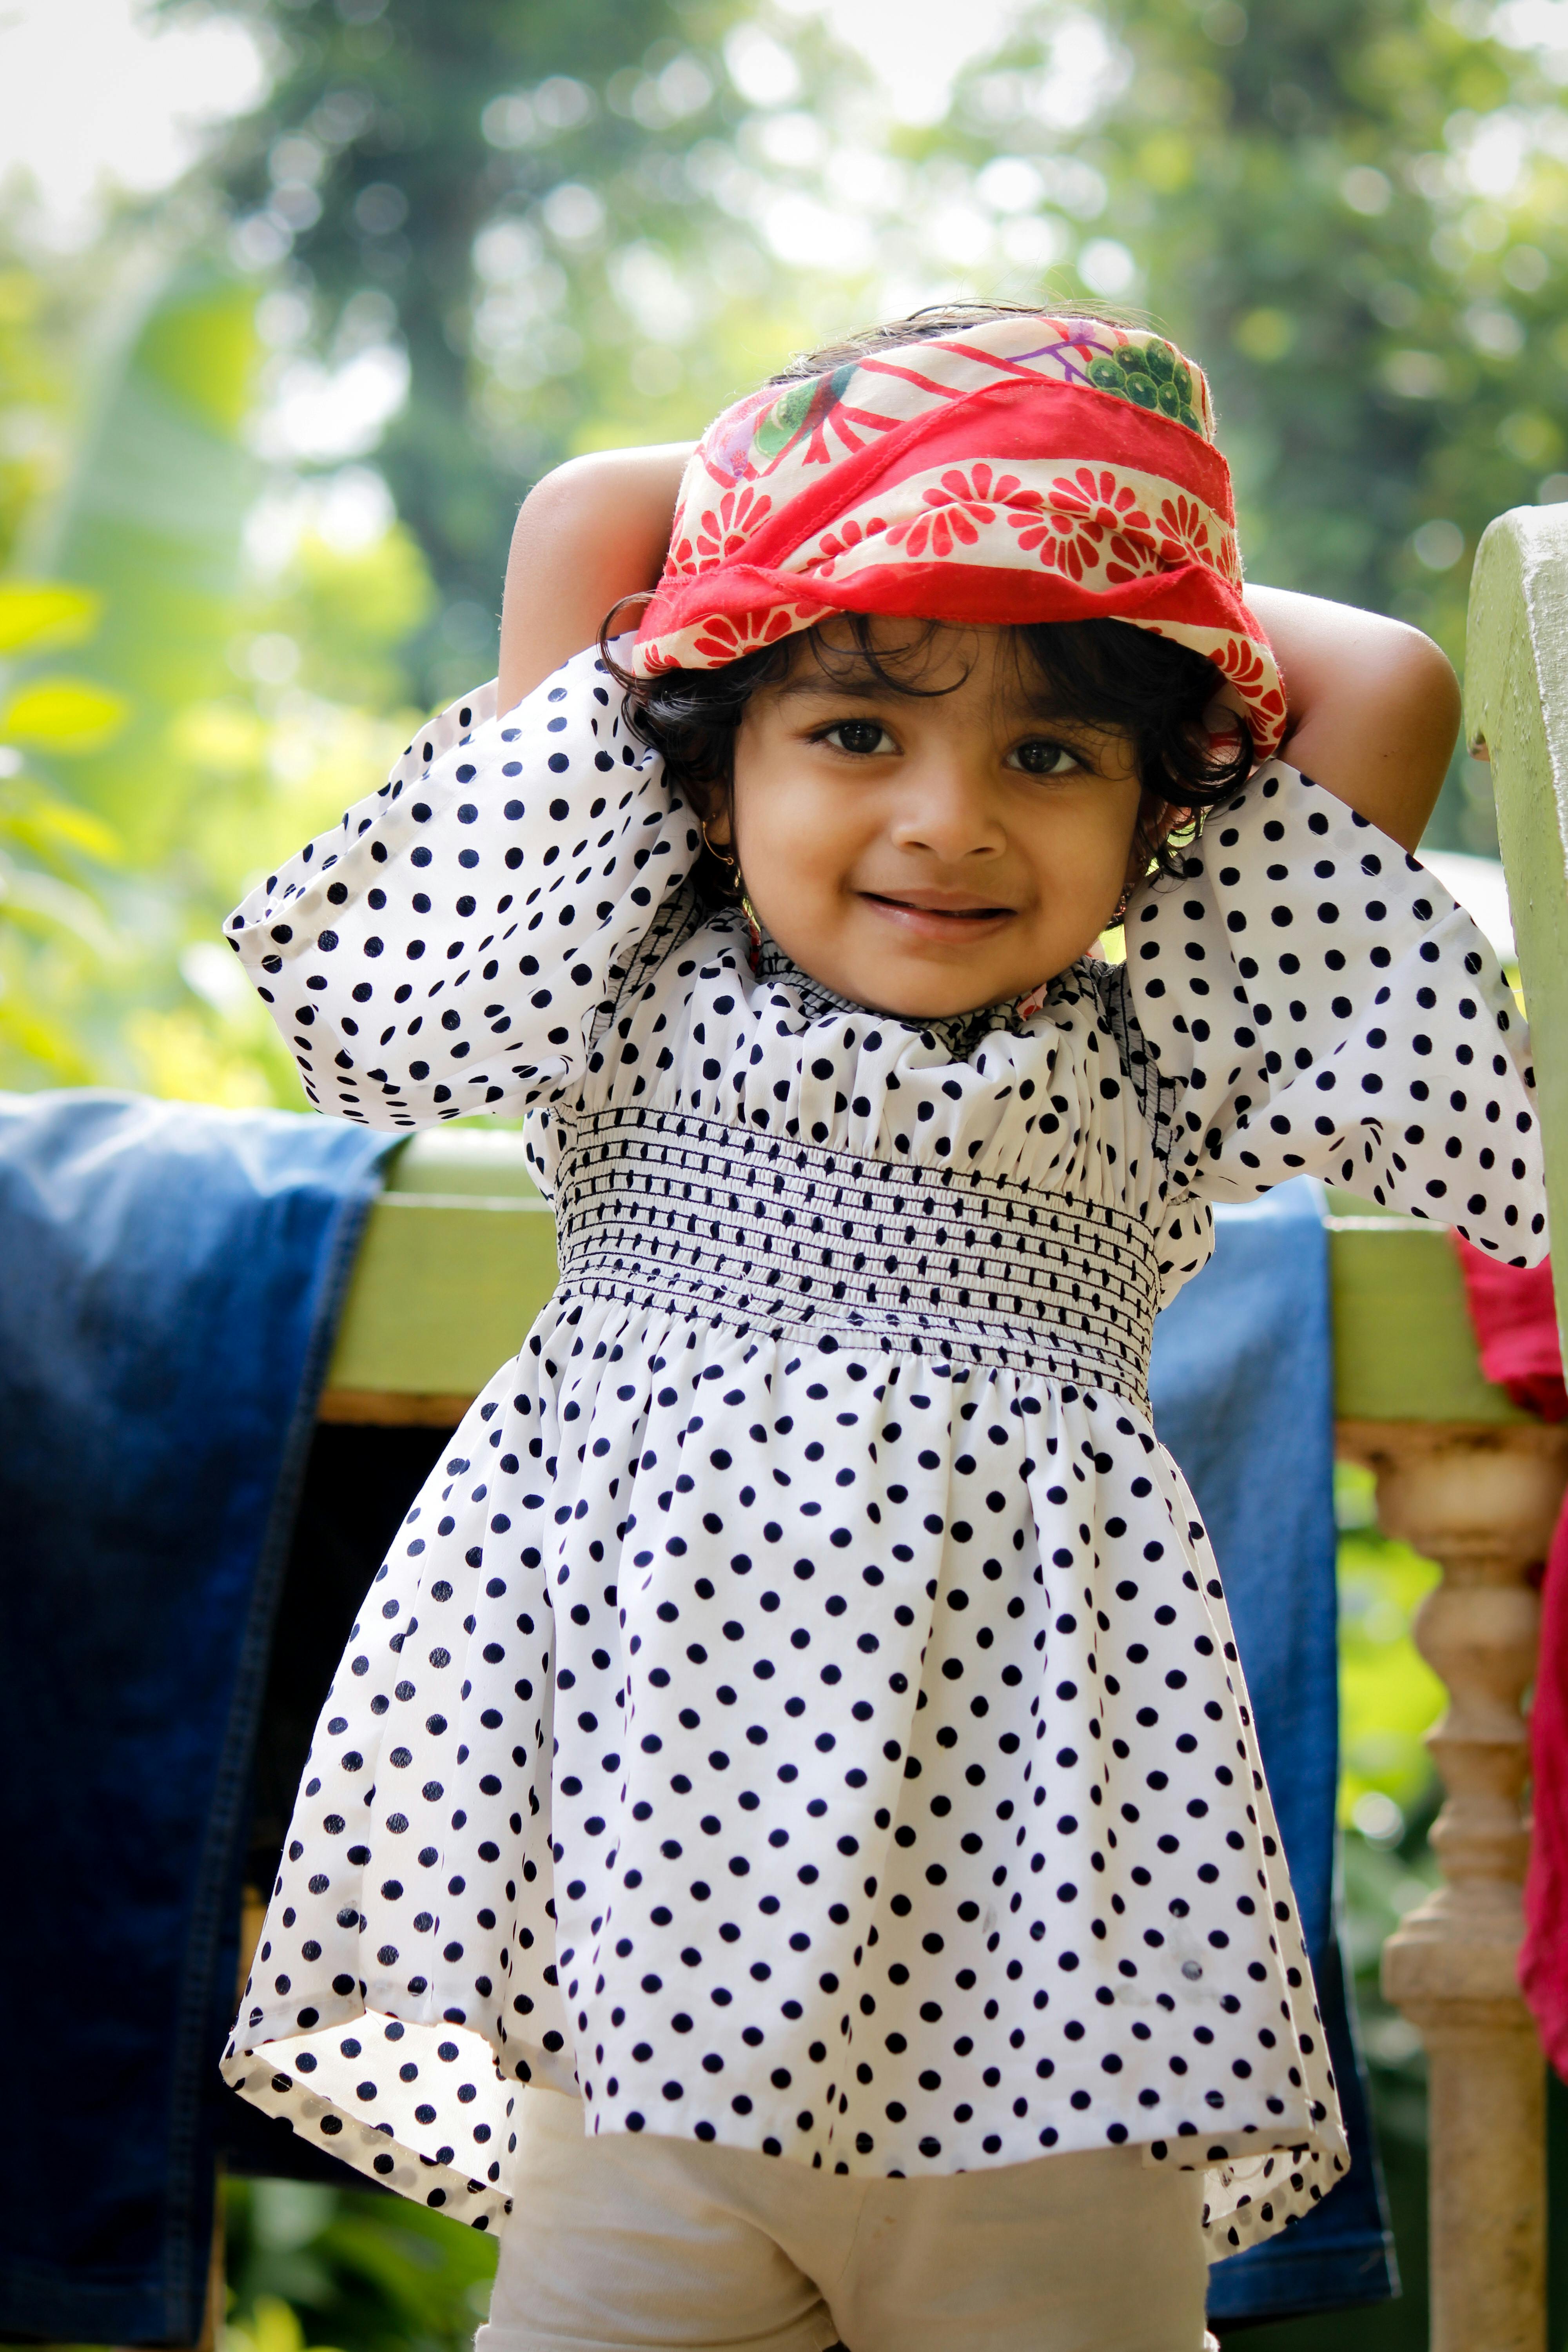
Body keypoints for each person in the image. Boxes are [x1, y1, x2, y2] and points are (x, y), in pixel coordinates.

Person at [221, 305, 1542, 2352]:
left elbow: (1386, 681)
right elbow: (597, 520)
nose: (952, 816)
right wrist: (858, 499)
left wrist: (1069, 511)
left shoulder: (1151, 1047)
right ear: (710, 749)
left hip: (1041, 2044)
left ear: (1158, 805)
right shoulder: (623, 974)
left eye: (1050, 751)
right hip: (647, 2026)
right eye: (854, 730)